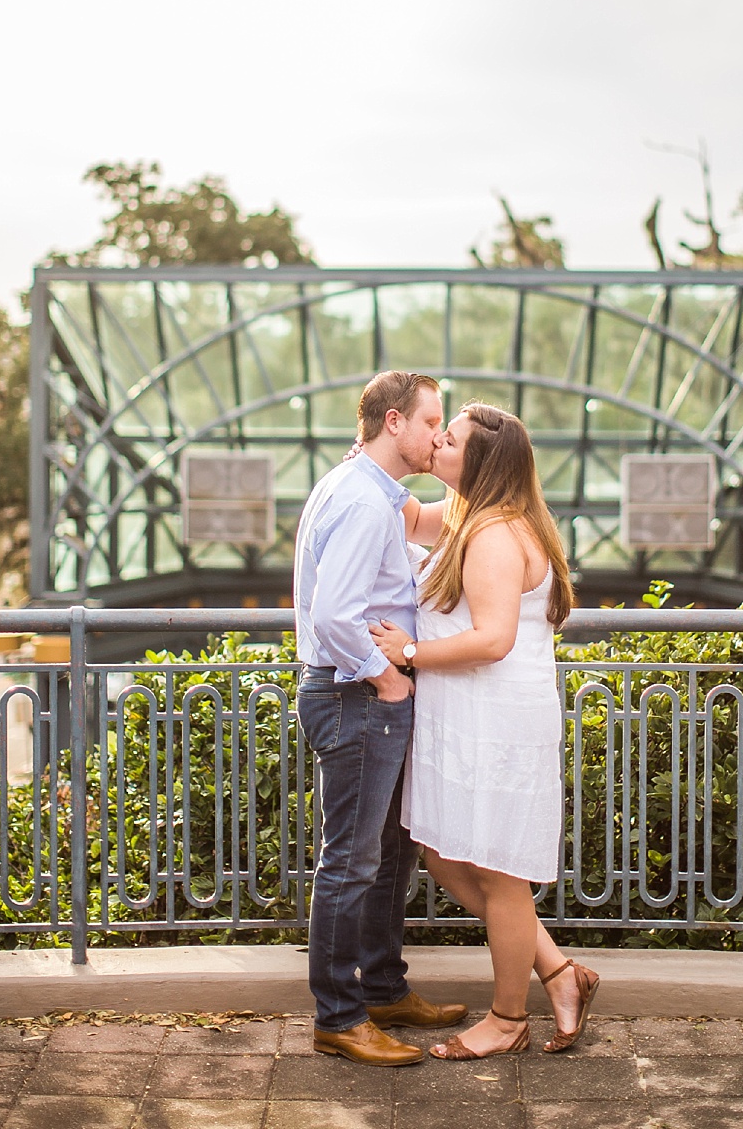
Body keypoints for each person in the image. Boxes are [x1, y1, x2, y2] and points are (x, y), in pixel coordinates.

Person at [369, 402, 600, 1059]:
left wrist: (406, 654)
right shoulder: (471, 515)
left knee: (499, 873)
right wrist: (375, 454)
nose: (438, 440)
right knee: (443, 850)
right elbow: (408, 517)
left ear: (482, 462)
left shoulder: (495, 534)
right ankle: (558, 972)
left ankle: (507, 1018)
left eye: (452, 438)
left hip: (494, 721)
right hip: (468, 718)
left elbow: (494, 639)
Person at [292, 369, 466, 1067]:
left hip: (355, 695)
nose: (437, 435)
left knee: (388, 854)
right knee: (351, 862)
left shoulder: (359, 488)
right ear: (394, 422)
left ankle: (386, 989)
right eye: (430, 422)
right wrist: (389, 681)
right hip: (356, 697)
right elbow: (335, 616)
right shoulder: (365, 501)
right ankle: (338, 1016)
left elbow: (381, 583)